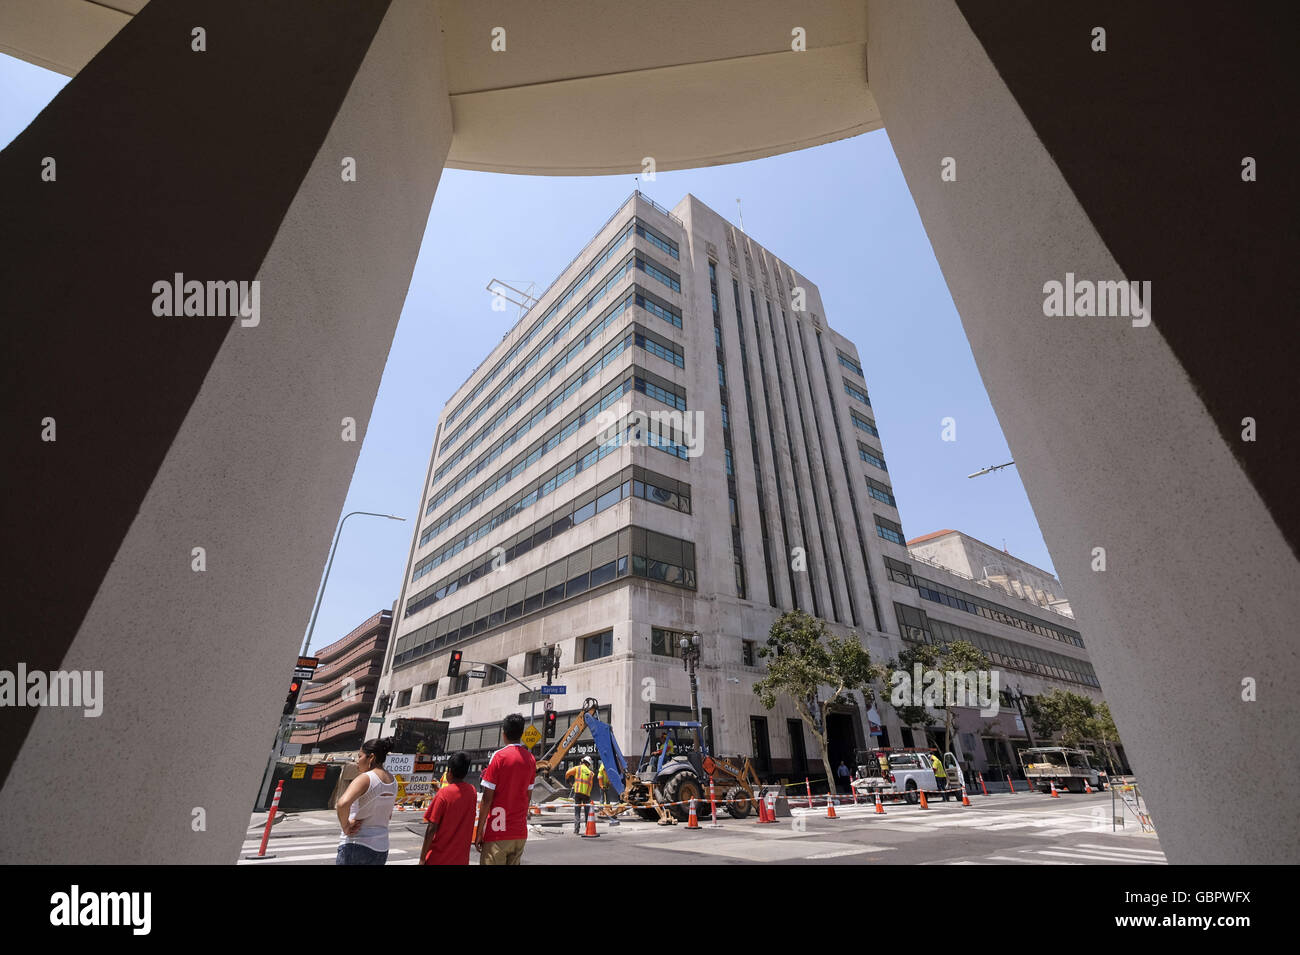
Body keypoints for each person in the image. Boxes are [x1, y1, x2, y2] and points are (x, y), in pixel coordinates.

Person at [475, 713, 537, 865]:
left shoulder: (499, 757)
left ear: (504, 733)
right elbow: (528, 796)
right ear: (522, 734)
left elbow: (487, 799)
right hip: (519, 833)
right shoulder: (531, 759)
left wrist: (479, 831)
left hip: (498, 832)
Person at [335, 737, 398, 865]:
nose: (357, 761)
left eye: (360, 756)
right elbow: (388, 814)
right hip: (381, 848)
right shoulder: (393, 780)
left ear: (371, 757)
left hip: (356, 844)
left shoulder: (365, 778)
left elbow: (342, 804)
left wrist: (346, 826)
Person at [420, 751, 476, 866]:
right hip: (461, 859)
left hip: (438, 858)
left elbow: (431, 828)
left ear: (449, 771)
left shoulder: (443, 794)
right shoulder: (472, 791)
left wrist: (422, 859)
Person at [565, 755, 597, 834]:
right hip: (586, 795)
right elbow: (590, 786)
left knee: (577, 812)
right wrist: (588, 796)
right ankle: (588, 828)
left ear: (583, 762)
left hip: (578, 793)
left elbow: (567, 773)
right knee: (587, 813)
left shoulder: (577, 768)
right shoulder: (591, 773)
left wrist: (569, 781)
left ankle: (576, 830)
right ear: (588, 764)